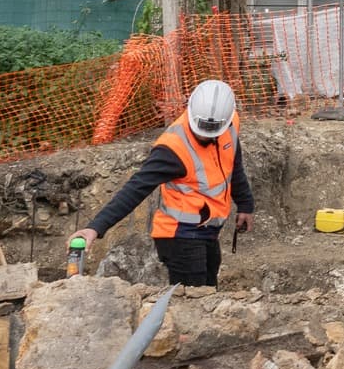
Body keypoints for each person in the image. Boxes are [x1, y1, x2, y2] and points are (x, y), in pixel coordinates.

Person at [76, 79, 253, 287]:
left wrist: (245, 204)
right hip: (179, 235)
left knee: (207, 292)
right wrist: (95, 228)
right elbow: (136, 188)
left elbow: (234, 164)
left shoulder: (229, 126)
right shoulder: (172, 148)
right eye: (200, 130)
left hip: (208, 230)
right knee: (193, 301)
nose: (205, 136)